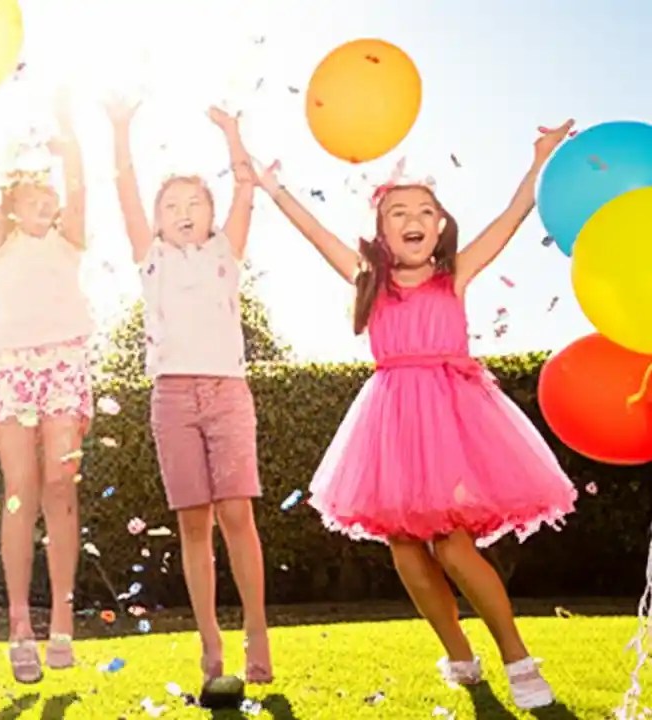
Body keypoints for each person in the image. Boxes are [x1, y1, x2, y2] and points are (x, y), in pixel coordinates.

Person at [253, 122, 578, 710]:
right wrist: (274, 189)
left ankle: (517, 656)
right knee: (404, 545)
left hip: (451, 416)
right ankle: (459, 653)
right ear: (381, 231)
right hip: (392, 419)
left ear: (439, 226)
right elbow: (315, 233)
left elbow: (509, 219)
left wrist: (540, 161)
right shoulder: (371, 282)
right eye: (399, 210)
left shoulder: (454, 278)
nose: (414, 219)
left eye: (426, 210)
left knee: (453, 545)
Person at [105, 97, 273, 702]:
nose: (183, 212)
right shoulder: (150, 259)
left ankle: (256, 632)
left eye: (194, 203)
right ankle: (210, 642)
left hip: (227, 393)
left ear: (210, 214)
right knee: (194, 524)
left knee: (237, 516)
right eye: (170, 205)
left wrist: (232, 133)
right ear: (155, 220)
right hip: (172, 397)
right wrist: (121, 130)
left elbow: (246, 190)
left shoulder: (225, 253)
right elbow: (123, 190)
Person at [0, 93, 93, 683]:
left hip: (65, 359)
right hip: (12, 364)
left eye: (49, 198)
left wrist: (66, 126)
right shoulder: (1, 241)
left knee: (60, 484)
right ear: (14, 207)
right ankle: (18, 624)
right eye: (33, 199)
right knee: (20, 489)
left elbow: (82, 188)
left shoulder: (69, 239)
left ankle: (62, 617)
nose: (46, 205)